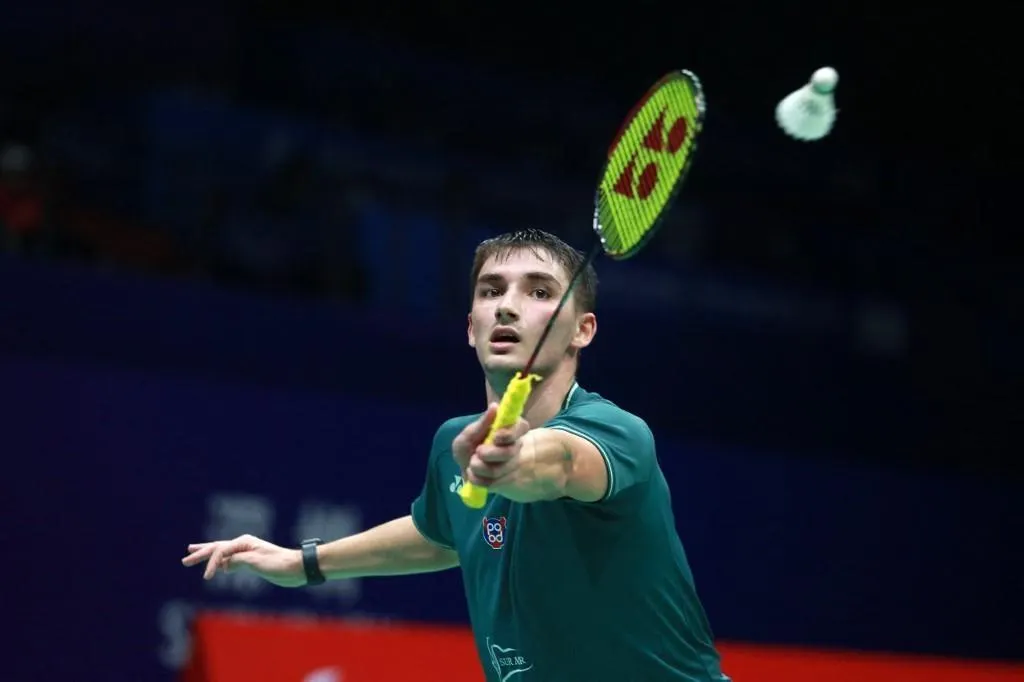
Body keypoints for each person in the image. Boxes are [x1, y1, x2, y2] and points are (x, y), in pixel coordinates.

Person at [183, 229, 730, 681]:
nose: (509, 306)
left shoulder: (614, 432)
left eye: (539, 292)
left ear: (582, 330)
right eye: (492, 290)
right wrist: (305, 563)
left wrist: (508, 463)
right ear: (471, 327)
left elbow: (557, 465)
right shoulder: (454, 443)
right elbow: (443, 531)